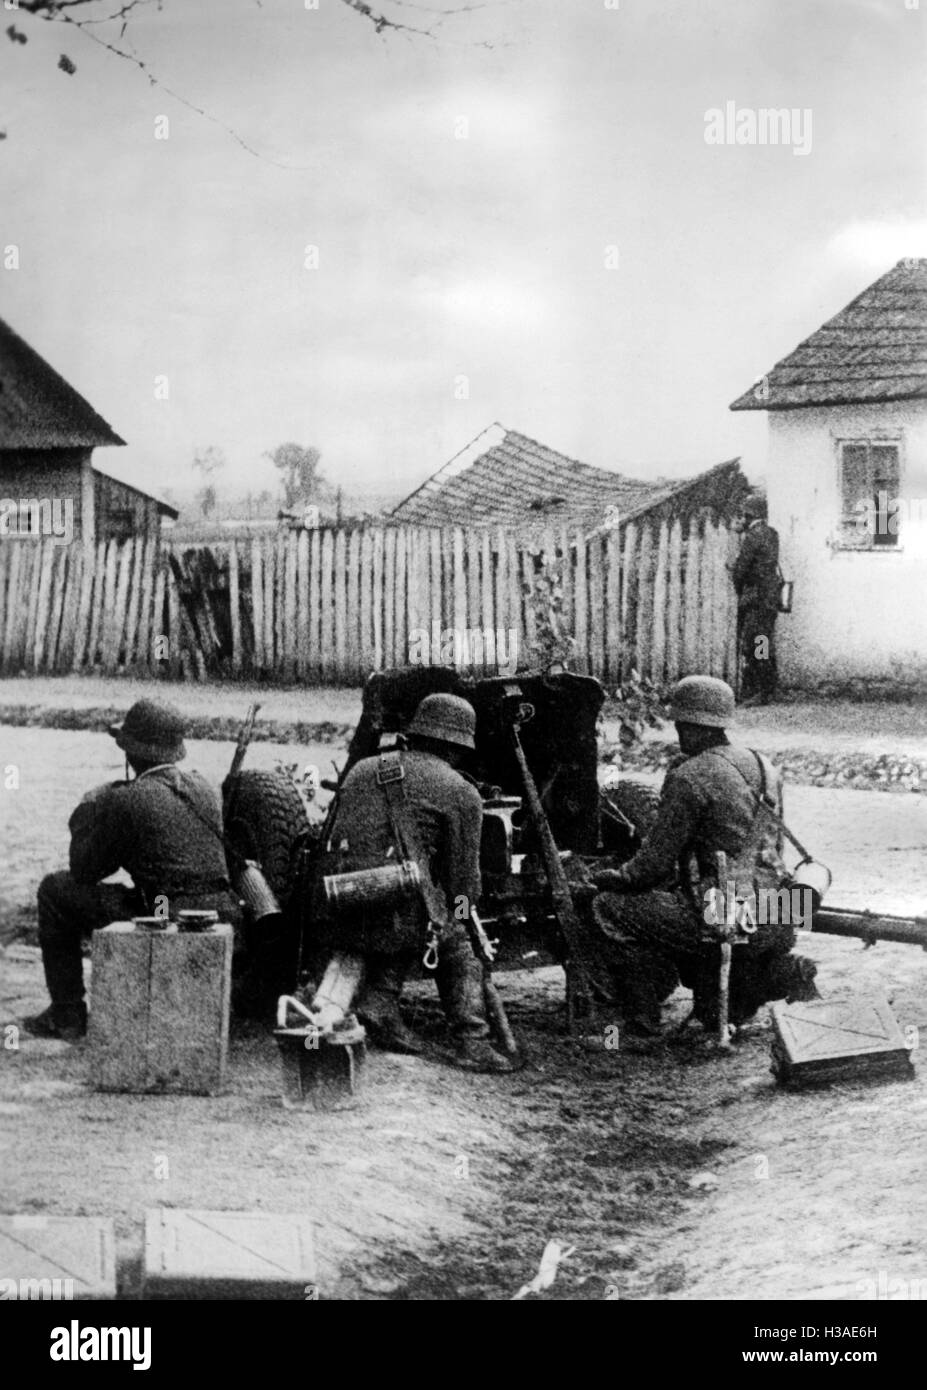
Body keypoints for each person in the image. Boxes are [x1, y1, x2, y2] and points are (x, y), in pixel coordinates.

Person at [590, 675, 818, 1036]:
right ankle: (786, 973)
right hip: (782, 911)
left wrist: (615, 877)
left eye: (680, 724)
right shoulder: (765, 766)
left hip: (725, 915)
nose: (678, 732)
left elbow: (651, 867)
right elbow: (773, 849)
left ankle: (641, 1019)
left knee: (609, 908)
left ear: (690, 726)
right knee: (715, 1013)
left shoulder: (690, 777)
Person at [23, 699, 239, 1042]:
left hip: (167, 913)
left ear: (131, 753)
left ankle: (67, 1015)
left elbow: (84, 870)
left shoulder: (124, 800)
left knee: (54, 891)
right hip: (223, 913)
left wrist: (88, 808)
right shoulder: (206, 788)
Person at [319, 692, 513, 1073]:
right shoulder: (461, 792)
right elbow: (463, 886)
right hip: (392, 917)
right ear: (458, 746)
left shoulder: (361, 769)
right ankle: (472, 1039)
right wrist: (460, 918)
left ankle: (381, 1004)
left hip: (337, 908)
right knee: (454, 934)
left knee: (414, 909)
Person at [731, 491, 780, 705]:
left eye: (744, 514)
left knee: (755, 642)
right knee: (763, 640)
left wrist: (737, 586)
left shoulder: (754, 536)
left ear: (751, 515)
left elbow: (741, 570)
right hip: (769, 598)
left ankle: (761, 690)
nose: (741, 518)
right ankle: (767, 688)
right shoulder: (771, 533)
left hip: (756, 598)